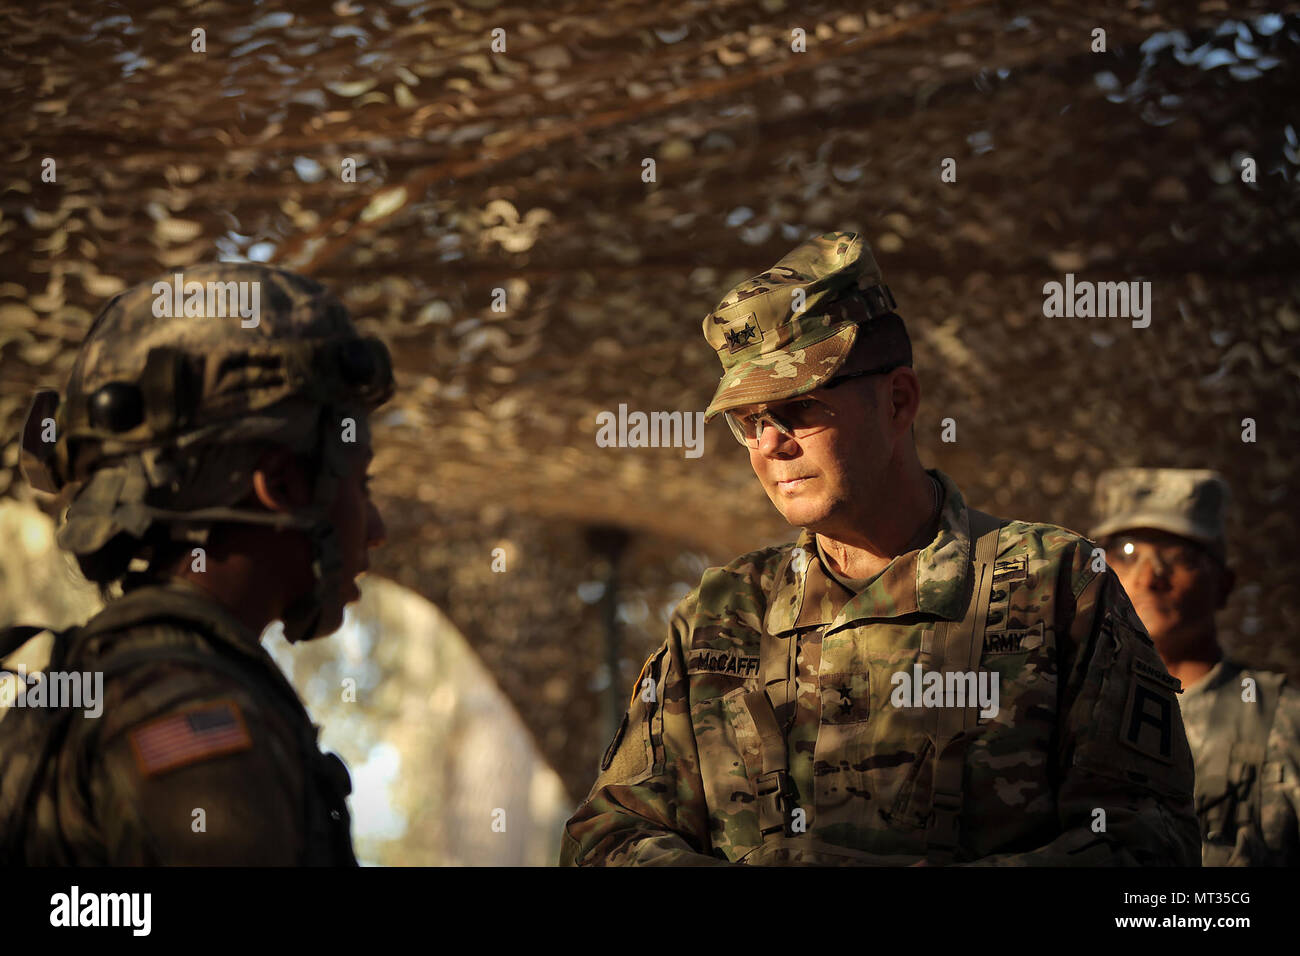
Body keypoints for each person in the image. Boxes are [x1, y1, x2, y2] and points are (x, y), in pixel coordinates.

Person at [560, 232, 1199, 866]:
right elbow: (605, 838)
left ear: (898, 401)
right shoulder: (722, 615)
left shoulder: (1053, 585)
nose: (769, 446)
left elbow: (1151, 844)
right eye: (750, 422)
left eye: (798, 409)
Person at [0, 263, 392, 864]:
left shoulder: (100, 679)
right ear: (283, 485)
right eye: (358, 483)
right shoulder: (192, 716)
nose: (377, 526)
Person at [1092, 467, 1300, 866]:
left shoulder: (1279, 719)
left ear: (1223, 584)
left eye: (1181, 558)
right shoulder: (1059, 702)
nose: (1150, 578)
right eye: (1128, 553)